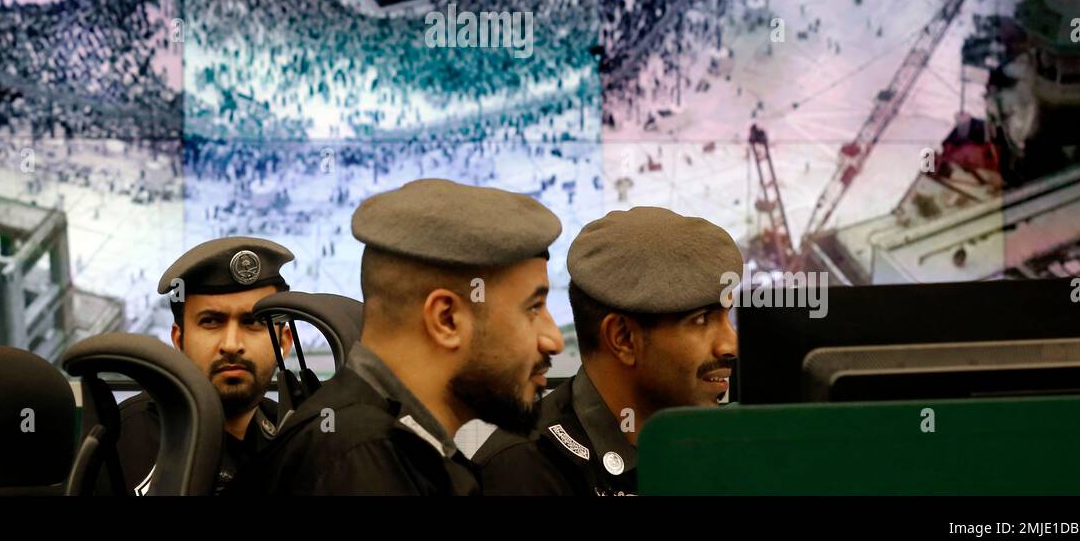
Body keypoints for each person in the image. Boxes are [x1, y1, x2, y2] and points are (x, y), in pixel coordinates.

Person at [227, 178, 565, 495]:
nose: (554, 339)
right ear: (446, 319)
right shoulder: (362, 464)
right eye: (533, 308)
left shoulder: (384, 450)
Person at [473, 207, 742, 496]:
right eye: (702, 319)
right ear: (623, 338)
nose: (731, 345)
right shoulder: (524, 471)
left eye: (727, 316)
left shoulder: (716, 446)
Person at [112, 236, 295, 495]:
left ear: (284, 343)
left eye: (253, 322)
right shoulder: (130, 438)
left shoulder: (295, 437)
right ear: (179, 340)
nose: (231, 344)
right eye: (211, 321)